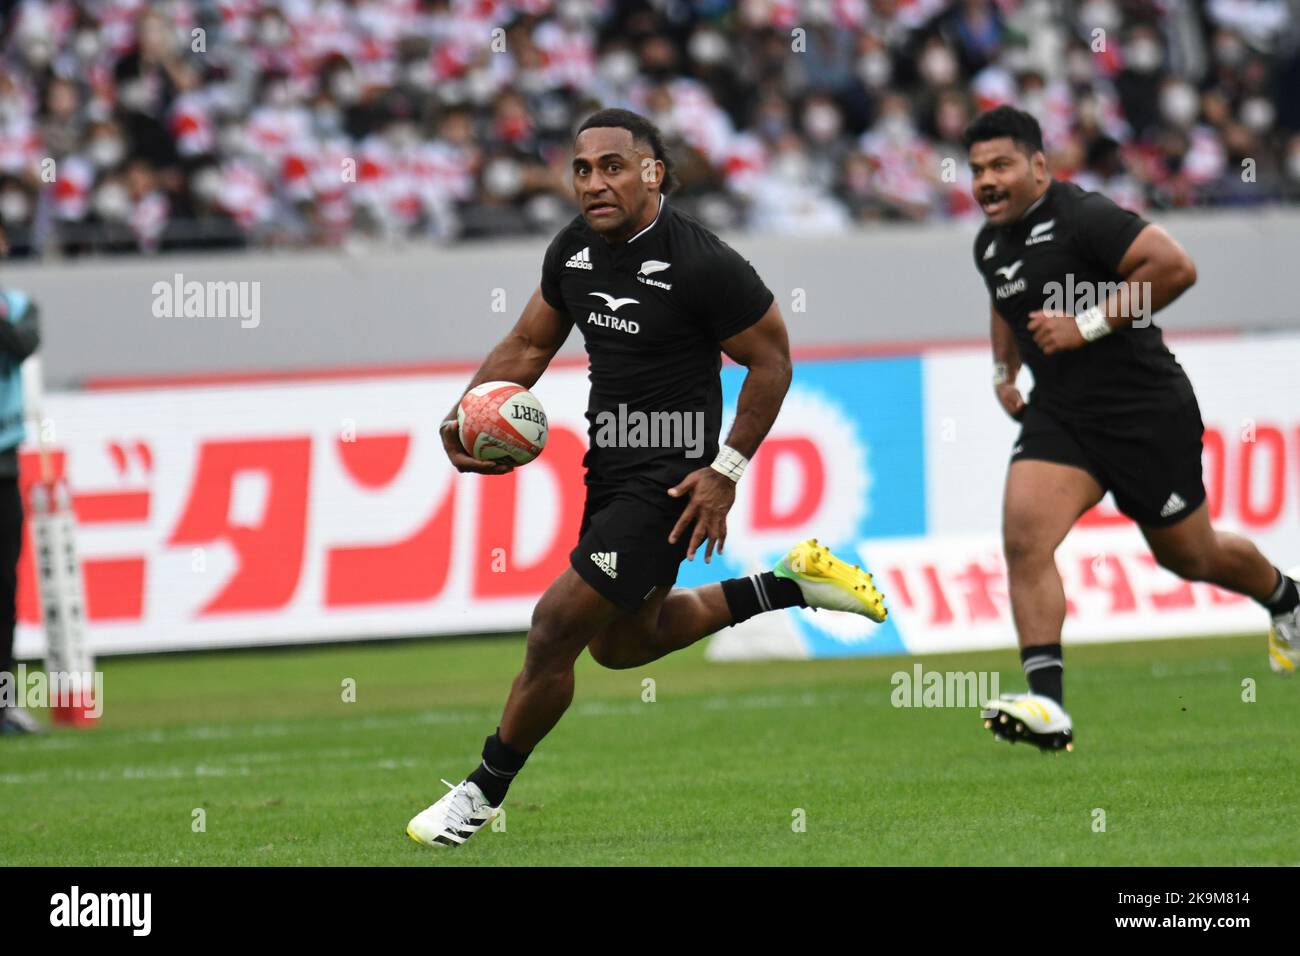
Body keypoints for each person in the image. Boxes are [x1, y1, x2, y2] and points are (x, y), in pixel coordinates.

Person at [407, 109, 887, 846]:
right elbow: (529, 341)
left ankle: (480, 793)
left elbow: (773, 360)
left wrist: (723, 472)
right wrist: (461, 418)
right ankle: (789, 586)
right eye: (582, 169)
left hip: (671, 477)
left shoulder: (701, 263)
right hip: (608, 466)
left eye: (613, 166)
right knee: (624, 644)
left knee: (554, 629)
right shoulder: (573, 250)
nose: (595, 182)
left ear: (653, 172)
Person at [964, 105, 1300, 751]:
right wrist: (1002, 372)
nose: (986, 180)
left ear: (1039, 166)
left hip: (1145, 411)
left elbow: (1175, 269)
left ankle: (1286, 598)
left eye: (1001, 164)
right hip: (1062, 413)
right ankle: (1048, 707)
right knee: (1025, 538)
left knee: (1190, 556)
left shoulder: (1084, 215)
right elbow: (1004, 300)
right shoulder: (989, 242)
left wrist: (1085, 324)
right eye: (977, 169)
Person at [0, 223, 43, 736]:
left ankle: (4, 700)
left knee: (3, 588)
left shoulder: (18, 304)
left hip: (3, 467)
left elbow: (22, 344)